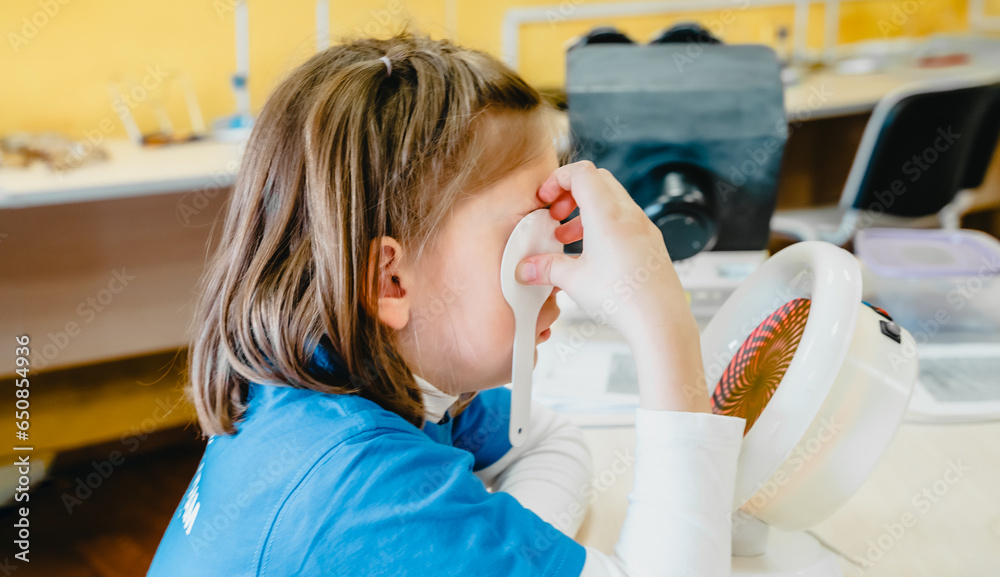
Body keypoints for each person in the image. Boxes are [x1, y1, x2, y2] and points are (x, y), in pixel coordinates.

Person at [148, 32, 745, 576]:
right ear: (391, 283)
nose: (565, 265)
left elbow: (549, 439)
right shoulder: (363, 492)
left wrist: (512, 550)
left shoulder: (345, 367)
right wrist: (661, 319)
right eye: (528, 234)